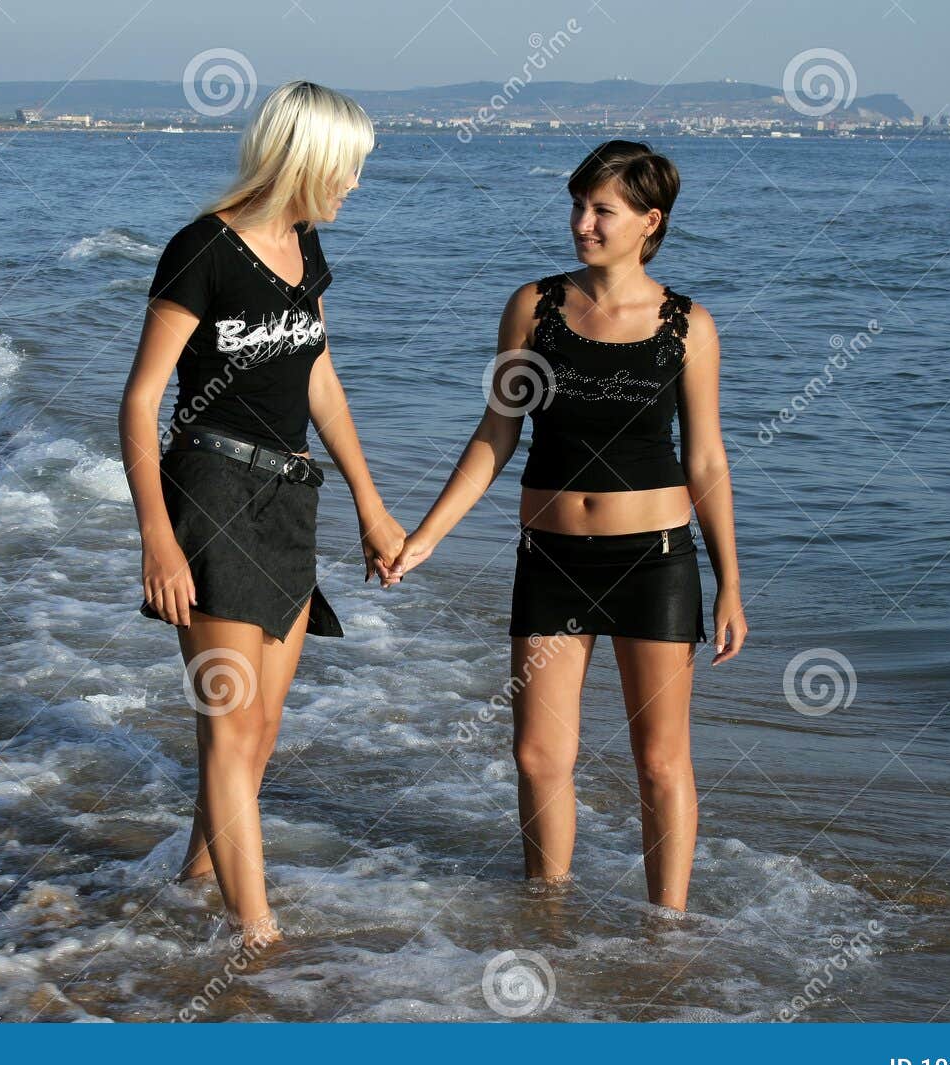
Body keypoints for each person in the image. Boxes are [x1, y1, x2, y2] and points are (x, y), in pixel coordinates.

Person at [389, 140, 747, 912]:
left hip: (654, 561)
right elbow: (495, 434)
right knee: (539, 753)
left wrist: (730, 584)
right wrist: (426, 536)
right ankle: (547, 915)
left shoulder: (689, 326)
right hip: (548, 558)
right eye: (578, 206)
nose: (582, 223)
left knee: (659, 762)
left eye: (602, 211)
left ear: (649, 222)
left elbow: (708, 462)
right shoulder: (534, 307)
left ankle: (667, 929)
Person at [118, 80, 402, 947]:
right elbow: (138, 403)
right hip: (210, 492)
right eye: (347, 168)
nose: (352, 185)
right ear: (307, 158)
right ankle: (257, 936)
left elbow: (319, 376)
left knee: (261, 730)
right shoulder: (200, 249)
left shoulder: (305, 249)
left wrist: (371, 502)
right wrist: (157, 540)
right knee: (231, 724)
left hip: (290, 495)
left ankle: (193, 888)